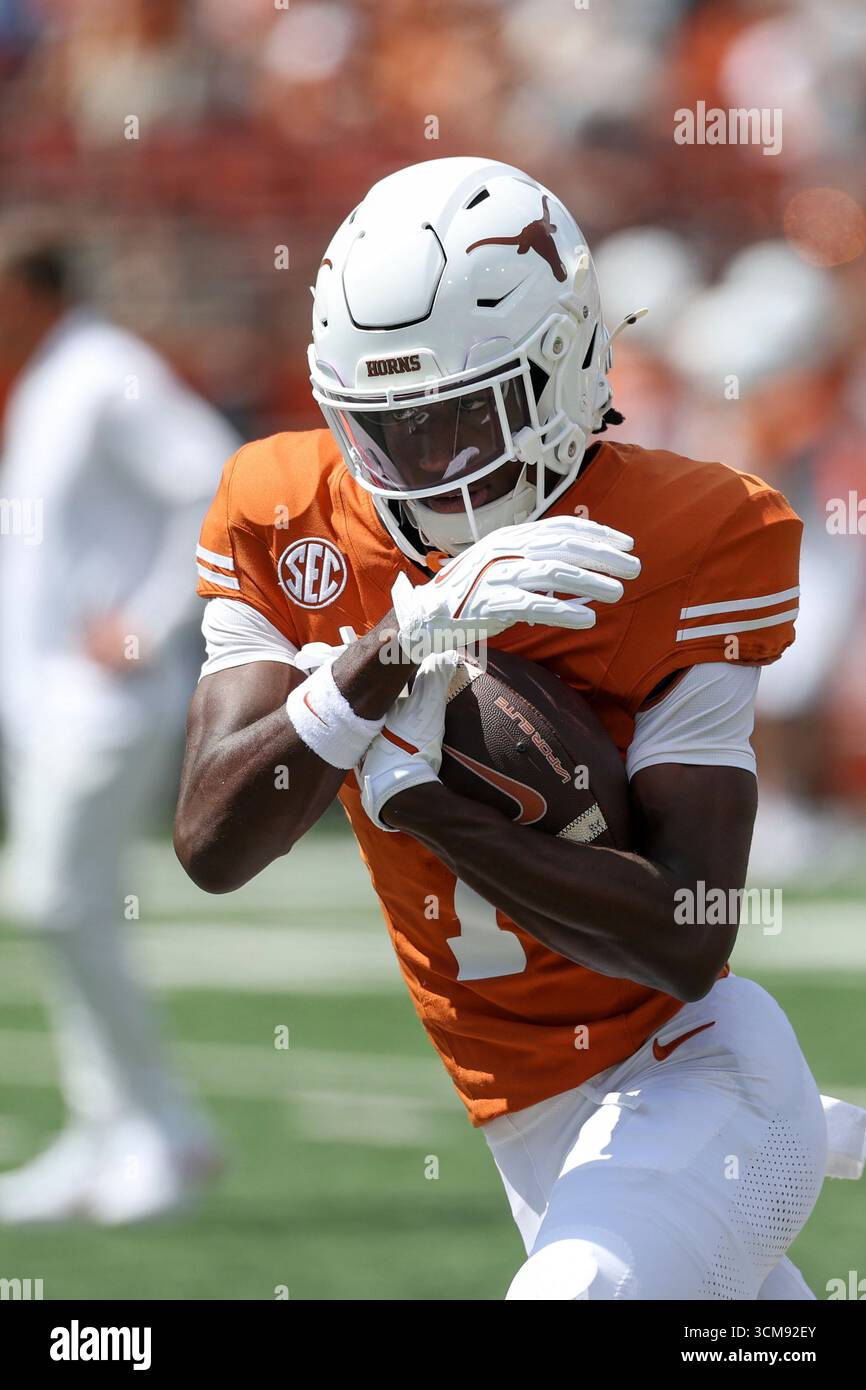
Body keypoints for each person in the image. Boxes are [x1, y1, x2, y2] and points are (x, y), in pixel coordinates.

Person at [174, 157, 864, 1298]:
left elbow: (686, 933)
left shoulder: (691, 537)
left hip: (687, 1071)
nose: (425, 472)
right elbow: (212, 841)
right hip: (527, 1122)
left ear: (562, 365)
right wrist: (391, 648)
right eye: (387, 431)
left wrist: (427, 807)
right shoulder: (282, 508)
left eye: (457, 422)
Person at [0, 243, 239, 1223]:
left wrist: (147, 617)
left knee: (56, 902)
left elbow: (216, 473)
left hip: (100, 705)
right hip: (45, 704)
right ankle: (103, 1133)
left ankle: (162, 1126)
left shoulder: (105, 373)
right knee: (73, 912)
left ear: (34, 288)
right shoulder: (53, 380)